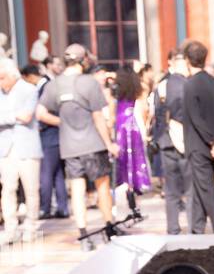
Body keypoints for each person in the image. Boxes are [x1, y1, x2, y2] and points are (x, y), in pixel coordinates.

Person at [37, 42, 119, 247]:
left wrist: (61, 122)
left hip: (68, 146)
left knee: (77, 189)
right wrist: (109, 144)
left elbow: (40, 113)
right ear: (84, 60)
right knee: (102, 186)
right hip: (93, 144)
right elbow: (98, 116)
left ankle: (83, 234)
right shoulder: (89, 83)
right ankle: (110, 228)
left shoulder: (54, 84)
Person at [180, 39, 214, 233]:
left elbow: (195, 118)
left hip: (199, 146)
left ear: (187, 60)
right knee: (199, 189)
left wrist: (212, 141)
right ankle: (196, 229)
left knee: (207, 192)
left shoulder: (190, 85)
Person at [0, 58, 42, 244]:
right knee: (8, 190)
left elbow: (26, 117)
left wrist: (8, 117)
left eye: (2, 78)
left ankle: (31, 227)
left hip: (27, 148)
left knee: (31, 190)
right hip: (6, 149)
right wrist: (14, 116)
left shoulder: (29, 90)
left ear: (12, 76)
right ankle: (10, 229)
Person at [153, 49, 193, 234]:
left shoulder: (161, 86)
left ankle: (173, 228)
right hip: (185, 140)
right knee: (190, 188)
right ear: (184, 65)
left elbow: (157, 114)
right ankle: (194, 227)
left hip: (166, 140)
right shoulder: (189, 85)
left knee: (171, 190)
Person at [113, 65, 150, 221]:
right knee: (134, 163)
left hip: (119, 127)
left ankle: (125, 202)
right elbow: (145, 109)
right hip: (133, 127)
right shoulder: (137, 90)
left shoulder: (115, 92)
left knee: (122, 163)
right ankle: (133, 201)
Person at [34, 54, 69, 218]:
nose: (59, 66)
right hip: (50, 130)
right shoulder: (46, 83)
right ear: (48, 65)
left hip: (52, 132)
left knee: (49, 172)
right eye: (56, 64)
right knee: (55, 173)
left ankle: (48, 208)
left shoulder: (51, 83)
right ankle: (58, 207)